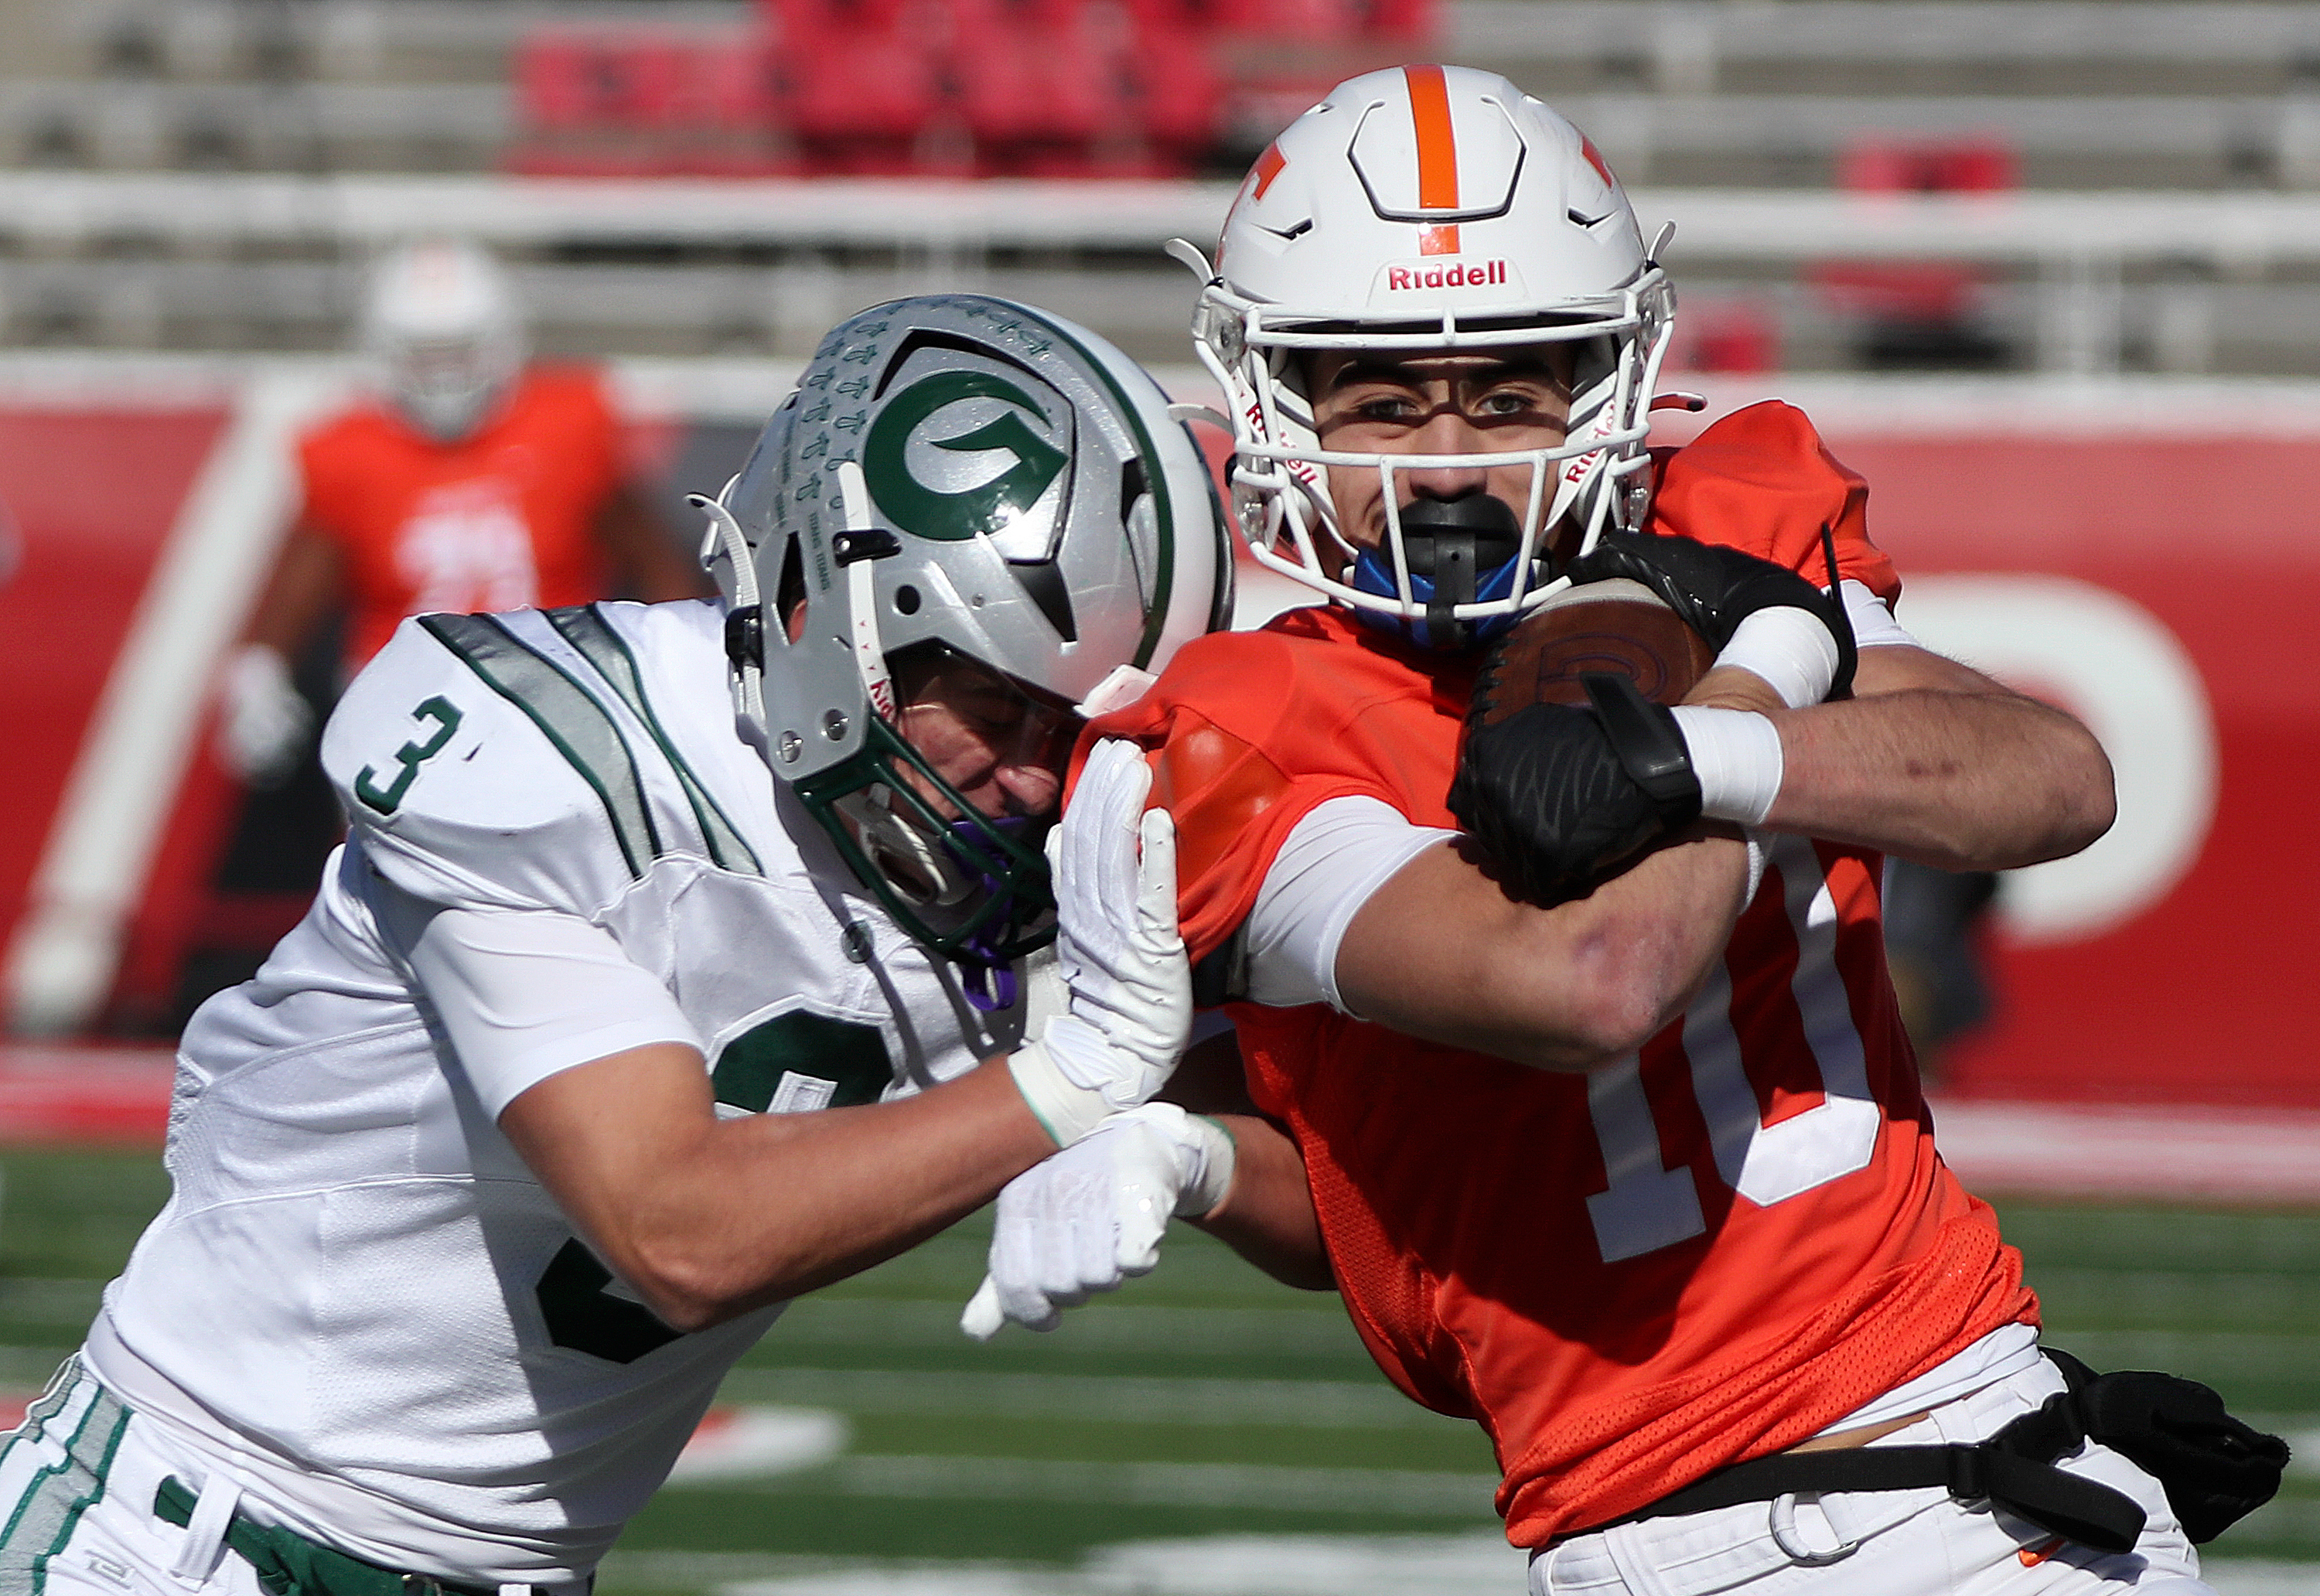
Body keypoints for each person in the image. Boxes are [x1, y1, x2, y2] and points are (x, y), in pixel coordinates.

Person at [963, 66, 2230, 1595]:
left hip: (1921, 1500)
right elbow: (1485, 1152)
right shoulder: (1247, 724)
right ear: (1279, 409)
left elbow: (2053, 778)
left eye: (1507, 395)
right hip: (1651, 1533)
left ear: (1604, 389)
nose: (1444, 462)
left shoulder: (1689, 581)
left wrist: (1712, 724)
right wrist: (1198, 1162)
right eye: (1378, 398)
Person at [0, 294, 1232, 1594]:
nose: (1040, 782)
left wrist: (1184, 1147)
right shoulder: (553, 750)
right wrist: (1076, 1076)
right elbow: (677, 1229)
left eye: (1081, 731)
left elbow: (1332, 1188)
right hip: (186, 1532)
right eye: (993, 701)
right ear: (821, 603)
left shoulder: (1047, 840)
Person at [217, 236, 706, 788]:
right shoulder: (348, 450)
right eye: (425, 355)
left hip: (560, 697)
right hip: (407, 717)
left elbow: (651, 556)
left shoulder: (567, 425)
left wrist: (683, 663)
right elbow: (302, 579)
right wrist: (259, 674)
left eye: (459, 352)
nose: (444, 375)